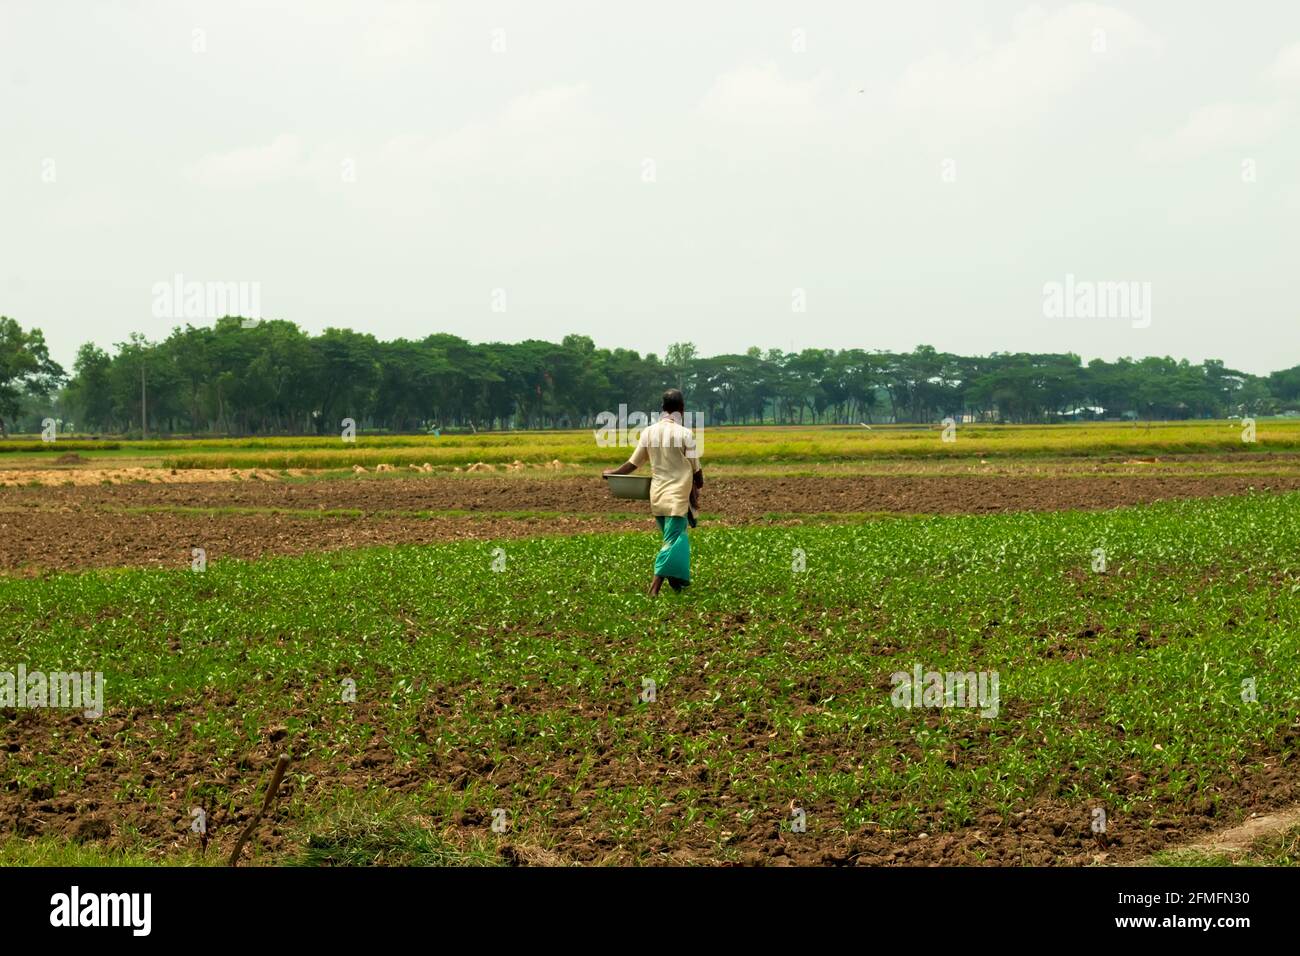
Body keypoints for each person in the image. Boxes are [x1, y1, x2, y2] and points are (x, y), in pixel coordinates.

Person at [603, 389, 703, 595]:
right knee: (672, 544)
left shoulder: (648, 432)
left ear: (662, 408)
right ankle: (654, 588)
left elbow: (633, 463)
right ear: (682, 409)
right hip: (677, 498)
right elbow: (697, 471)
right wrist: (697, 487)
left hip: (657, 498)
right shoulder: (685, 434)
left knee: (673, 541)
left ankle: (677, 584)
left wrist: (612, 473)